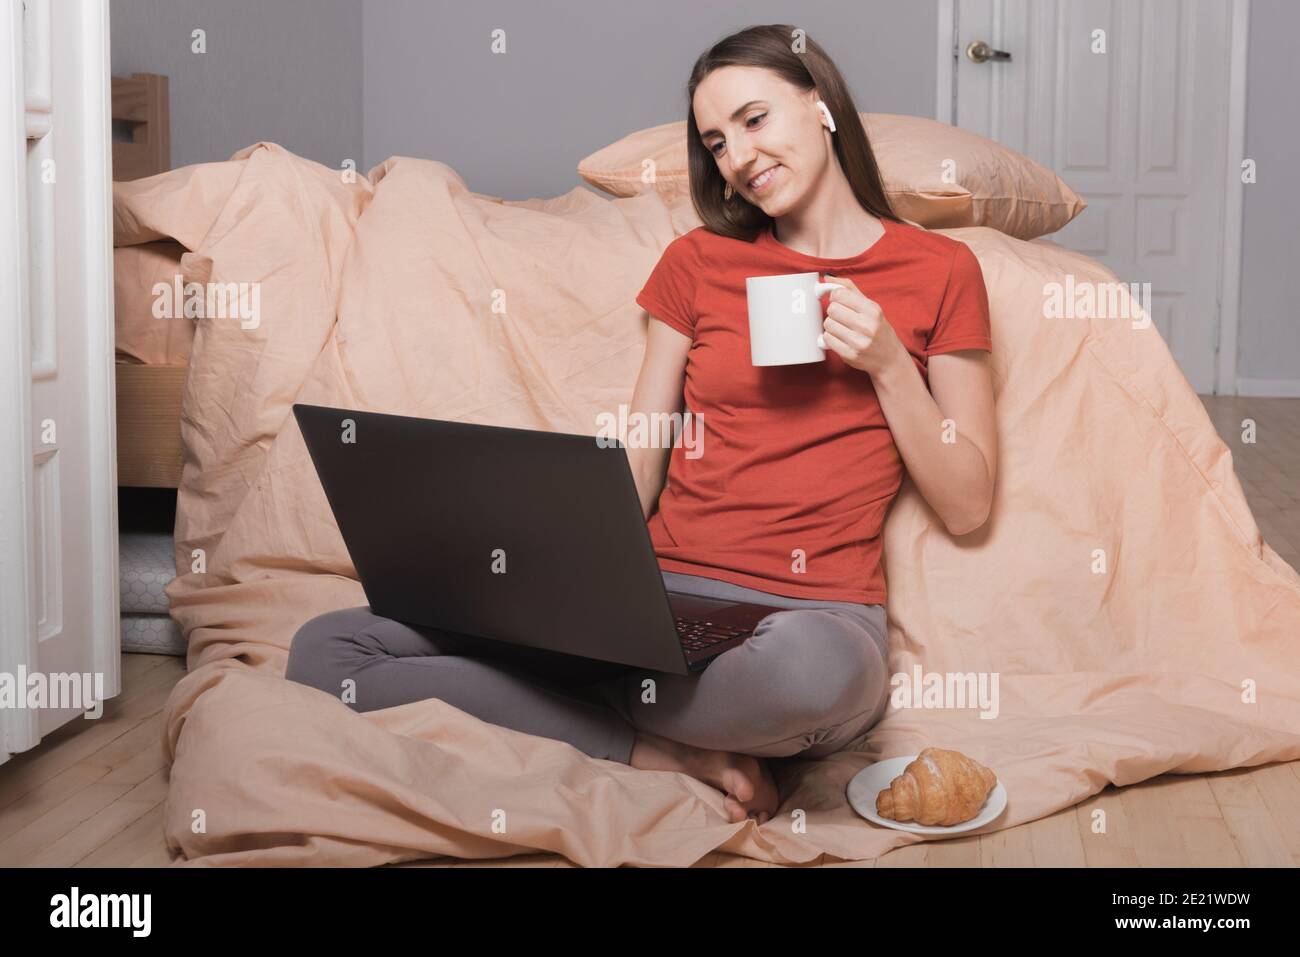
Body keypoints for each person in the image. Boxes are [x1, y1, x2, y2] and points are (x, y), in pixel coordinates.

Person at [286, 24, 996, 826]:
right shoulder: (698, 263)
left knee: (810, 674)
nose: (740, 157)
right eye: (718, 142)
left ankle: (563, 705)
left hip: (815, 618)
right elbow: (641, 459)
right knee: (327, 650)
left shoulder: (940, 271)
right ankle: (666, 751)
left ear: (820, 104)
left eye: (755, 120)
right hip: (656, 600)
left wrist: (890, 366)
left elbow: (968, 501)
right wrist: (539, 588)